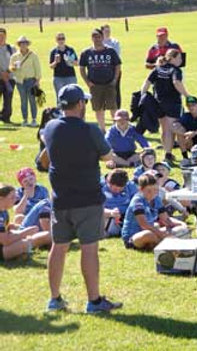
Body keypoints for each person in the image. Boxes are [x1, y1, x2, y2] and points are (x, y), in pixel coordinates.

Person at [42, 84, 122, 313]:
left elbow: (45, 157)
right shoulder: (91, 130)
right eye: (84, 102)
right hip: (87, 200)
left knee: (58, 247)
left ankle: (54, 299)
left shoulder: (50, 127)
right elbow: (107, 156)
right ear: (79, 104)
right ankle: (94, 301)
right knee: (89, 248)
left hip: (60, 200)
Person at [142, 48, 188, 162]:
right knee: (175, 128)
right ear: (172, 58)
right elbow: (176, 82)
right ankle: (183, 155)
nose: (181, 60)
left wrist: (142, 96)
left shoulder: (158, 69)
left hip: (158, 103)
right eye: (179, 58)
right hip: (172, 103)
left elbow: (147, 83)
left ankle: (168, 154)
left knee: (165, 129)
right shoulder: (175, 70)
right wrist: (187, 95)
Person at [121, 172, 183, 250]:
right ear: (141, 189)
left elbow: (165, 218)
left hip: (152, 230)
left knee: (180, 227)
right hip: (134, 236)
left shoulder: (157, 199)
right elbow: (144, 225)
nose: (152, 193)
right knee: (149, 234)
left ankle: (161, 243)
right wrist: (160, 233)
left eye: (155, 190)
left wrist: (176, 225)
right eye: (149, 191)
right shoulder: (137, 201)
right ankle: (169, 243)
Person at [79, 28, 121, 132]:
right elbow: (82, 68)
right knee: (98, 108)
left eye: (98, 36)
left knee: (113, 107)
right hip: (95, 85)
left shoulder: (110, 51)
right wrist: (87, 82)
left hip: (109, 84)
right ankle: (102, 130)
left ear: (102, 37)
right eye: (94, 36)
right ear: (91, 38)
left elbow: (117, 65)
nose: (96, 39)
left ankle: (116, 130)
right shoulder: (86, 52)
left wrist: (115, 80)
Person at [10, 35, 42, 127]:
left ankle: (34, 119)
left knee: (32, 100)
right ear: (19, 44)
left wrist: (37, 81)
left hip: (31, 81)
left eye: (25, 43)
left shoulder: (33, 55)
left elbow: (38, 69)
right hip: (20, 81)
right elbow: (10, 68)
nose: (23, 45)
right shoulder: (14, 56)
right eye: (21, 43)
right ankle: (25, 119)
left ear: (27, 44)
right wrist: (14, 67)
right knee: (23, 101)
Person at [101, 169, 138, 238]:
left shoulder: (131, 186)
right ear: (108, 182)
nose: (117, 191)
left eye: (120, 189)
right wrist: (110, 212)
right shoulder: (99, 186)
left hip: (126, 217)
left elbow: (138, 203)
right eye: (115, 189)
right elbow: (93, 209)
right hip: (106, 216)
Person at [49, 32, 78, 103]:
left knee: (72, 96)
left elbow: (77, 63)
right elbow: (51, 66)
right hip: (58, 78)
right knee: (60, 98)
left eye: (63, 38)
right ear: (56, 40)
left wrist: (70, 61)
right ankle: (60, 110)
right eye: (59, 39)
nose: (61, 40)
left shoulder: (70, 50)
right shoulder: (54, 51)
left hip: (70, 77)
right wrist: (56, 62)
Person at [101, 24, 122, 107]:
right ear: (102, 32)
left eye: (109, 31)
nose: (108, 32)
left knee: (116, 90)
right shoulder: (99, 42)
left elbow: (116, 55)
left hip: (114, 69)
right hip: (102, 70)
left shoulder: (115, 42)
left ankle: (117, 108)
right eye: (106, 31)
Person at [0, 27, 14, 123]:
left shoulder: (11, 48)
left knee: (8, 100)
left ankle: (6, 118)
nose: (1, 38)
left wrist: (7, 72)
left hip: (10, 78)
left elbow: (16, 62)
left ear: (6, 36)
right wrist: (1, 74)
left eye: (2, 36)